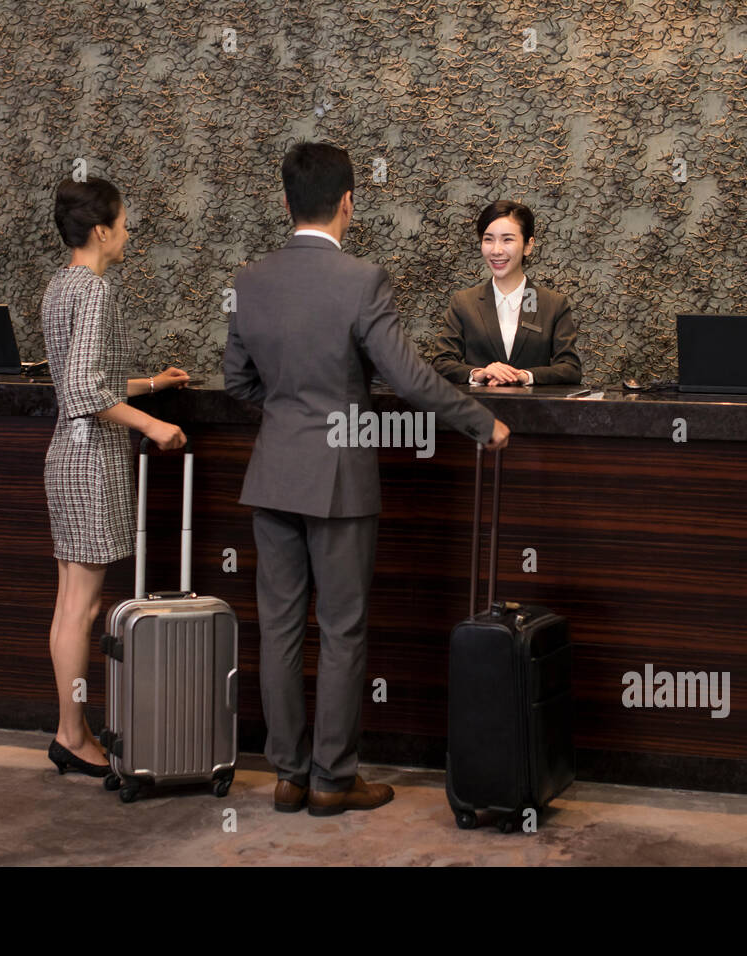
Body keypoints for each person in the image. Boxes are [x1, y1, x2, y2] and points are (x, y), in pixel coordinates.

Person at [224, 142, 511, 816]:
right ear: (349, 201)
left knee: (279, 628)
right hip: (340, 483)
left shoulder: (250, 279)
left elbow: (239, 381)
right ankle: (332, 779)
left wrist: (292, 415)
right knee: (343, 629)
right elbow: (409, 377)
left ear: (285, 200)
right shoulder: (362, 280)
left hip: (272, 477)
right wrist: (479, 422)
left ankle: (288, 775)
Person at [42, 177, 190, 778]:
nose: (129, 232)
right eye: (124, 223)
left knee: (69, 604)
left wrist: (153, 382)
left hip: (65, 456)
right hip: (90, 460)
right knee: (82, 608)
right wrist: (152, 425)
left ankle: (68, 730)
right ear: (101, 230)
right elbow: (82, 391)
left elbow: (84, 381)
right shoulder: (96, 291)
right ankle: (73, 736)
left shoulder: (60, 286)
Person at [432, 200, 582, 387]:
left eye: (507, 239)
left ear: (528, 245)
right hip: (477, 412)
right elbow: (441, 363)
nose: (497, 250)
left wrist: (524, 376)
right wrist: (479, 373)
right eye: (488, 239)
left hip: (537, 412)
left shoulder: (552, 304)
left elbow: (570, 368)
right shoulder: (464, 303)